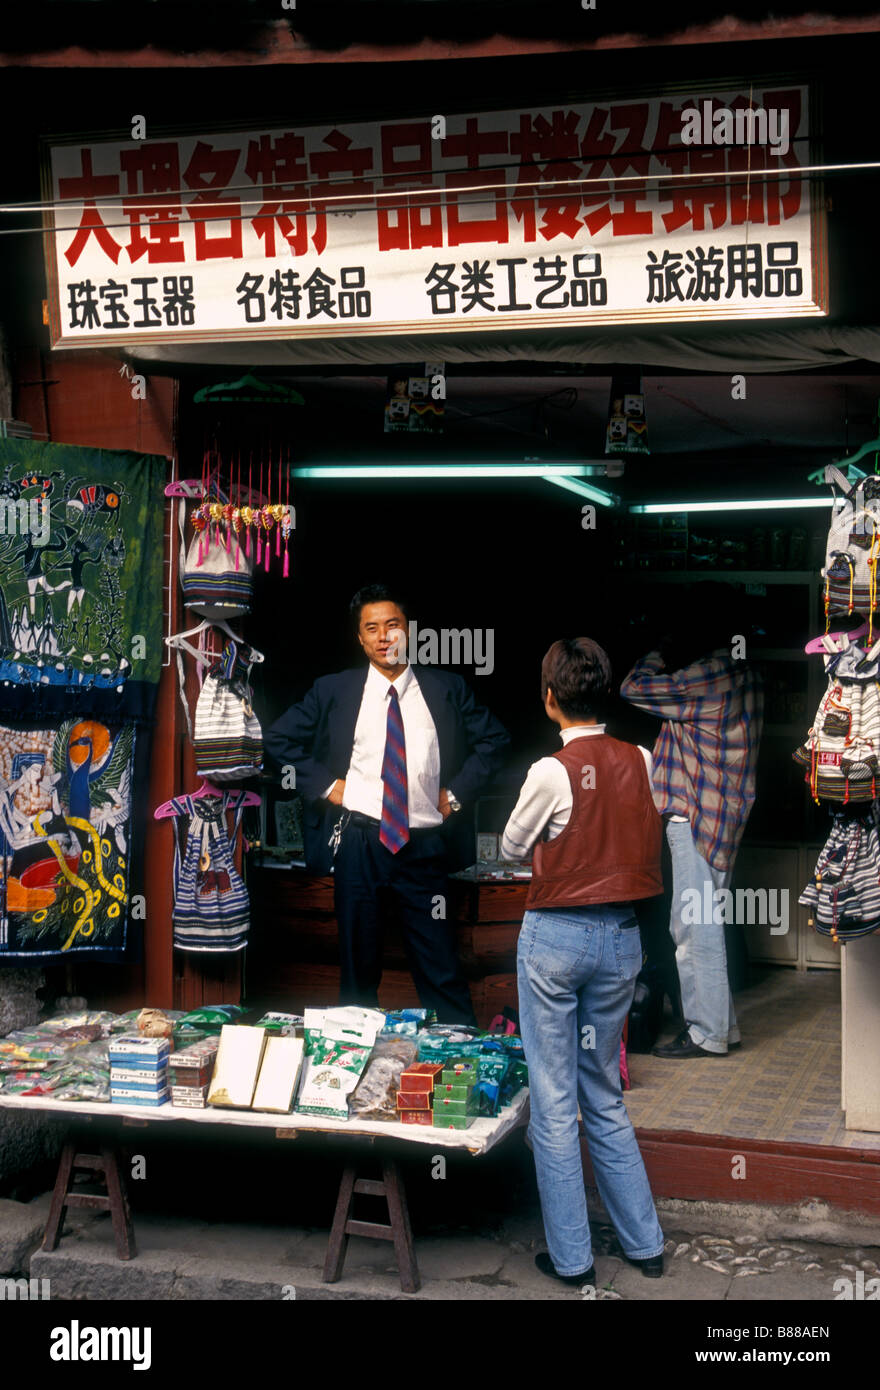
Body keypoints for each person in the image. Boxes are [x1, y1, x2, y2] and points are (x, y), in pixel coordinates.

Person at [265, 584, 510, 1024]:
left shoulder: (445, 688)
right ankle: (354, 1070)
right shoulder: (335, 690)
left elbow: (495, 740)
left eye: (392, 625)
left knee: (440, 966)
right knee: (358, 969)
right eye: (371, 628)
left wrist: (454, 794)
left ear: (408, 631)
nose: (383, 637)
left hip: (425, 848)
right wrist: (326, 786)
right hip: (361, 845)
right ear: (360, 639)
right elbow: (278, 737)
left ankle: (464, 1061)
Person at [501, 637, 665, 1287]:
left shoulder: (550, 771)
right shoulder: (643, 759)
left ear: (549, 700)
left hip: (557, 939)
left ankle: (572, 1260)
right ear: (605, 696)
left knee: (553, 1098)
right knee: (603, 1094)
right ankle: (645, 1245)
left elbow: (515, 846)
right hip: (622, 938)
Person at [620, 583, 764, 1059]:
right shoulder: (748, 673)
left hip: (696, 817)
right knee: (707, 922)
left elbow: (632, 687)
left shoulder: (704, 676)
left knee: (691, 930)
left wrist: (659, 651)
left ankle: (705, 1033)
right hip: (728, 817)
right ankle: (724, 1027)